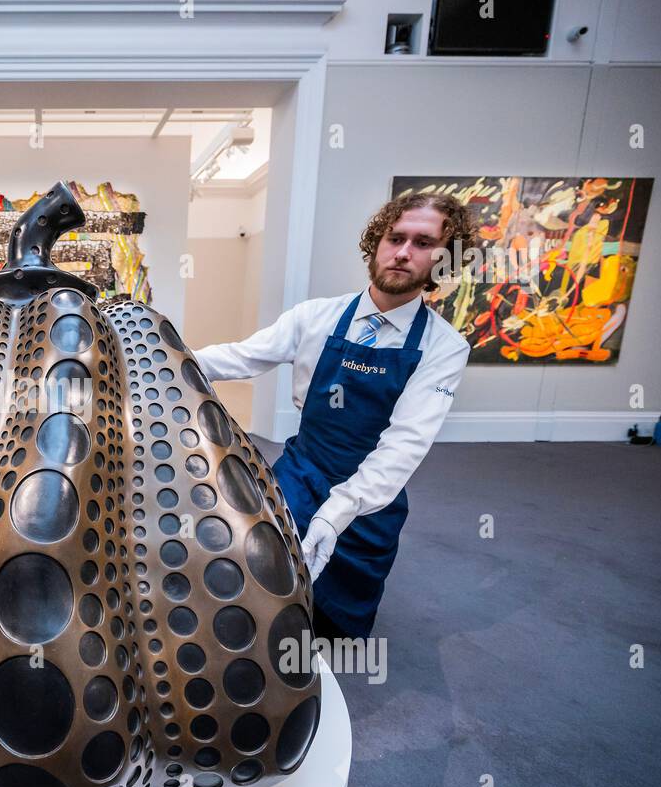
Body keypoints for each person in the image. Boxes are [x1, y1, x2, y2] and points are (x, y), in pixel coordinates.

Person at [194, 193, 473, 643]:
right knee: (260, 582)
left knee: (336, 631)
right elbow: (240, 357)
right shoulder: (315, 317)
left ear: (445, 259)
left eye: (423, 243)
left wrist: (337, 512)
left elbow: (404, 445)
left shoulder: (444, 347)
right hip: (302, 472)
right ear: (376, 244)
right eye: (395, 238)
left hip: (370, 494)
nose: (403, 252)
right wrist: (157, 351)